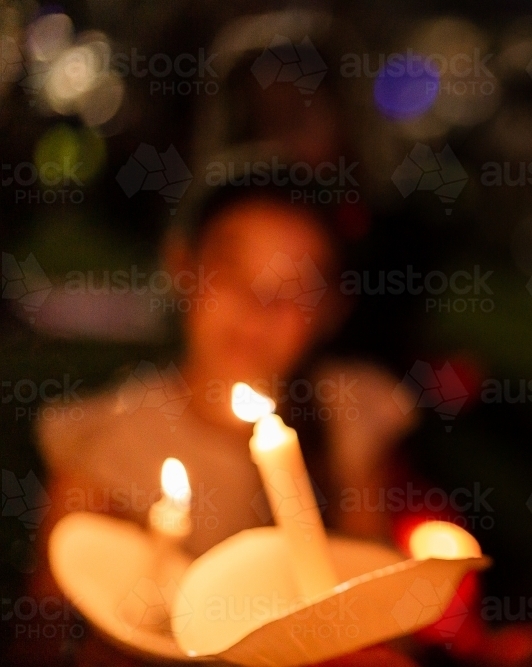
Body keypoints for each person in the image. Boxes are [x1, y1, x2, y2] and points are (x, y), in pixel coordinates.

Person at [27, 185, 417, 666]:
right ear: (182, 268)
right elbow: (48, 622)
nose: (259, 308)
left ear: (331, 310)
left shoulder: (345, 414)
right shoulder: (108, 438)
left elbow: (377, 588)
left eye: (295, 290)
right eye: (233, 275)